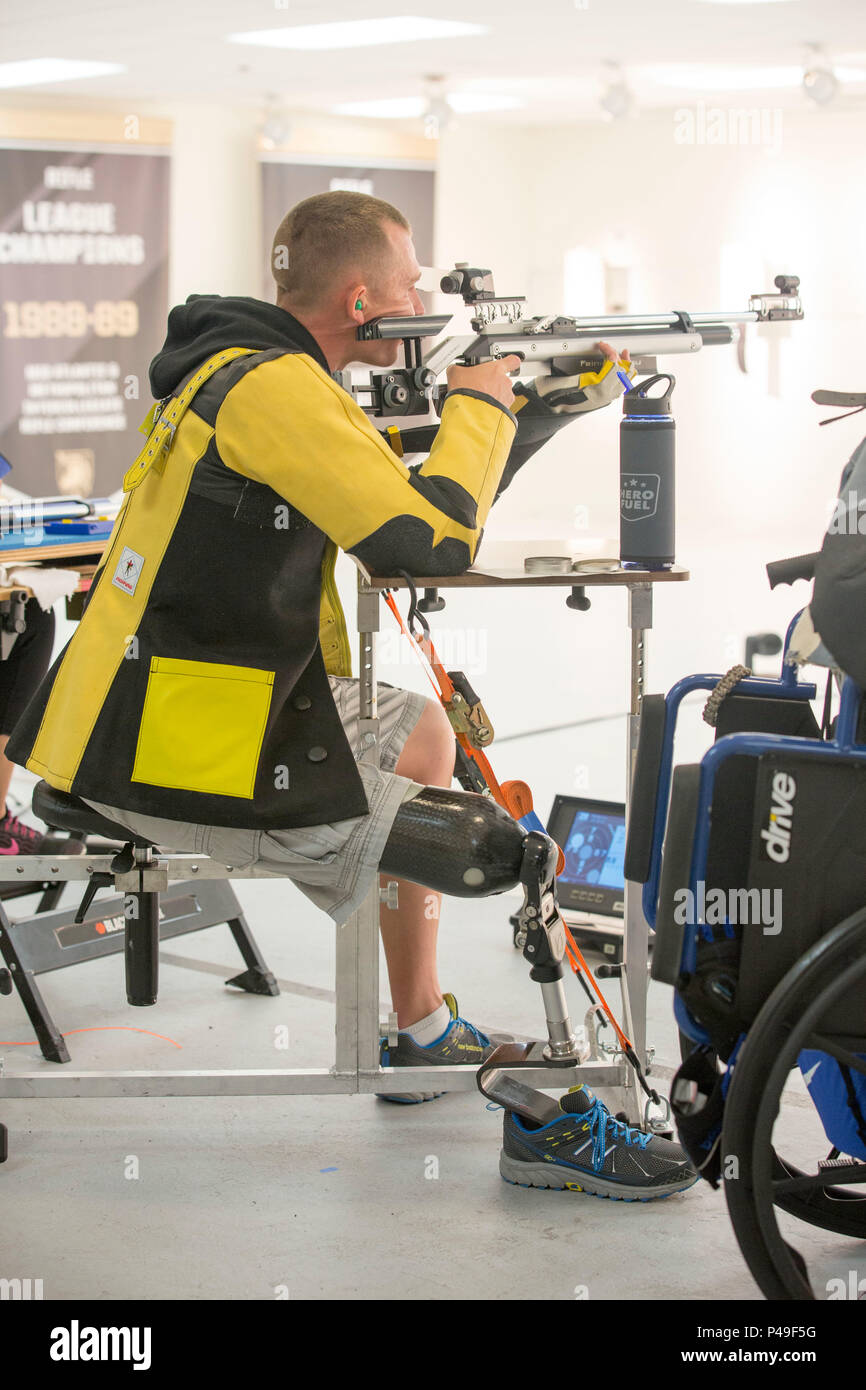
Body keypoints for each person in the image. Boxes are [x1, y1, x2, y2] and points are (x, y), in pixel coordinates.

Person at [8, 191, 681, 1180]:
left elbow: (403, 499)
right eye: (410, 282)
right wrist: (480, 407)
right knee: (480, 842)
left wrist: (525, 408)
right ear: (364, 297)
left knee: (417, 737)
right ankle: (547, 1109)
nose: (421, 298)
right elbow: (427, 543)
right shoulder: (272, 388)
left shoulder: (258, 371)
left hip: (184, 703)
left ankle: (416, 1029)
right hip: (169, 746)